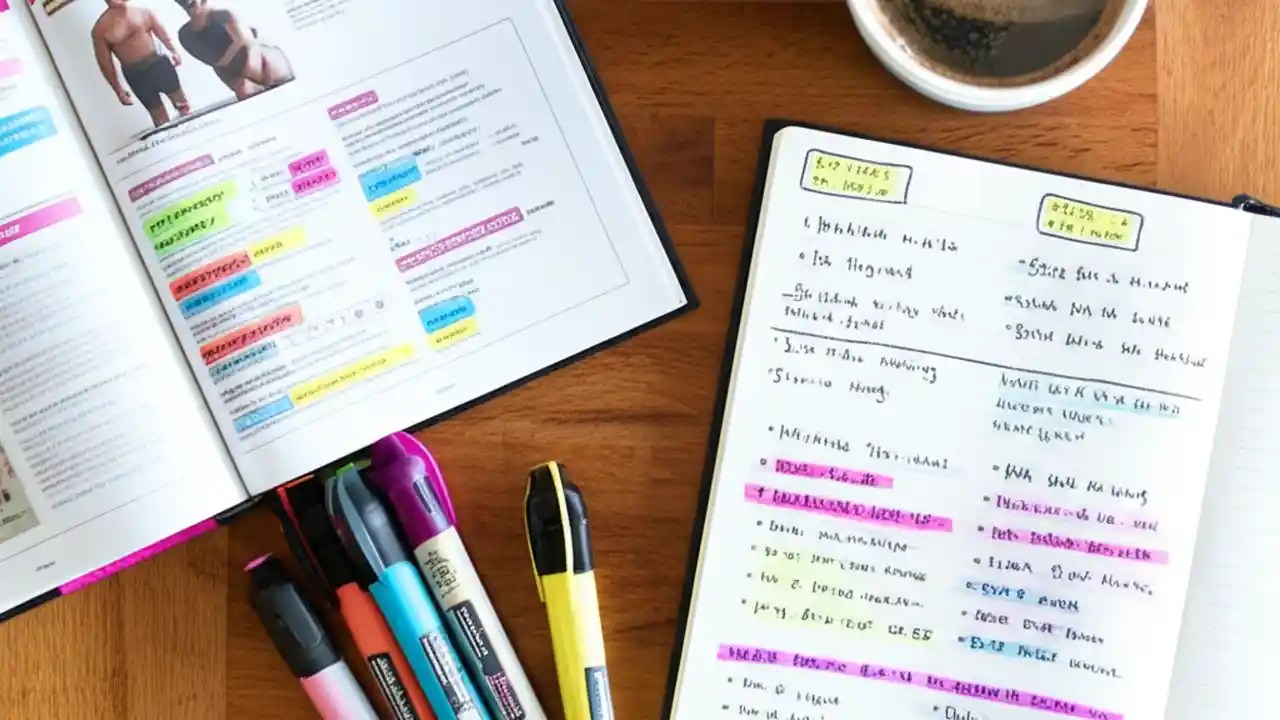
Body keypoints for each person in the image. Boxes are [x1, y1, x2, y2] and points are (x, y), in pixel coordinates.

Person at [91, 0, 190, 128]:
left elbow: (160, 31)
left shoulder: (142, 12)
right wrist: (118, 89)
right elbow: (105, 62)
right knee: (160, 121)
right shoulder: (100, 29)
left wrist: (173, 50)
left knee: (183, 107)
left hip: (157, 64)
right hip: (135, 75)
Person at [175, 0, 294, 101]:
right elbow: (216, 61)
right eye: (189, 5)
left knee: (269, 68)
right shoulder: (186, 35)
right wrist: (236, 44)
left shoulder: (223, 15)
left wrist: (240, 42)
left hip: (256, 59)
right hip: (234, 73)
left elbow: (248, 40)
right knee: (245, 91)